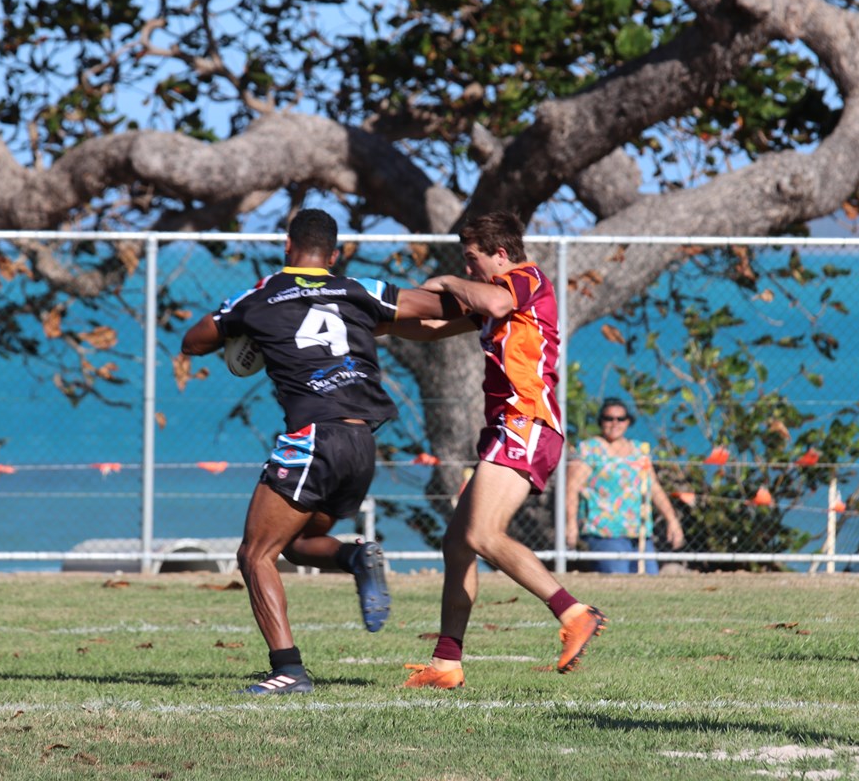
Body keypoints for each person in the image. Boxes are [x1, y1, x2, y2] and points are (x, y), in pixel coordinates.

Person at [181, 208, 449, 694]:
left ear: (287, 245)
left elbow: (193, 340)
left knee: (255, 554)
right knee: (296, 543)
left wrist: (244, 333)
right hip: (363, 443)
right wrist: (484, 309)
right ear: (336, 252)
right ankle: (356, 558)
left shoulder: (260, 296)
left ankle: (288, 670)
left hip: (314, 439)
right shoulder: (358, 289)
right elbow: (432, 309)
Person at [387, 211, 606, 690]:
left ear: (500, 255)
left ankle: (573, 612)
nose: (467, 270)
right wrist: (375, 325)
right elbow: (431, 328)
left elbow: (493, 301)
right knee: (458, 543)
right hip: (510, 426)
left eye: (471, 260)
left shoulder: (524, 278)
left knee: (484, 534)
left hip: (527, 421)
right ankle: (446, 663)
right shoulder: (491, 298)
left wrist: (445, 277)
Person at [565, 398, 685, 574]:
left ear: (628, 421)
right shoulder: (590, 450)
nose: (615, 423)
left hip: (640, 533)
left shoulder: (638, 451)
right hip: (604, 533)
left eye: (620, 419)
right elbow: (571, 489)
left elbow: (654, 488)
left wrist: (671, 520)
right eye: (609, 418)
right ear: (601, 421)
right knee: (618, 579)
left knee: (650, 581)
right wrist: (571, 525)